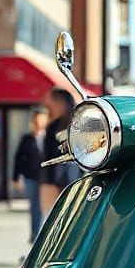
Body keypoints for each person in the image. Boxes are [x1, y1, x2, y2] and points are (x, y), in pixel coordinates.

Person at [40, 88, 81, 218]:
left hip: (57, 176)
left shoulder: (53, 127)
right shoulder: (79, 124)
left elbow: (48, 156)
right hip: (75, 175)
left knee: (52, 216)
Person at [13, 108, 48, 242]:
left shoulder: (50, 138)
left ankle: (43, 235)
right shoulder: (27, 139)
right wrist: (16, 177)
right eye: (36, 120)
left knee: (45, 207)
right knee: (35, 207)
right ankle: (35, 235)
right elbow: (18, 158)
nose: (39, 122)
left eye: (41, 119)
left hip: (47, 179)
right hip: (31, 177)